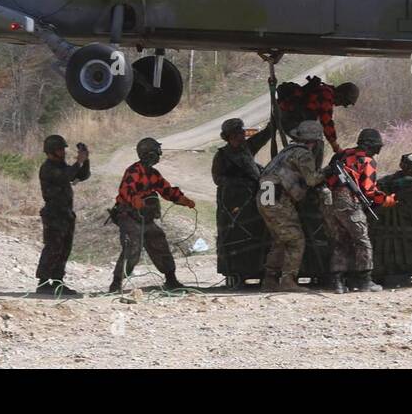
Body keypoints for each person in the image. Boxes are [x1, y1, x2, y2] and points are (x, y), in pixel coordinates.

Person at [108, 137, 195, 293]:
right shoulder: (134, 171)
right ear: (149, 154)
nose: (159, 155)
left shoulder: (153, 174)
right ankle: (116, 284)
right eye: (156, 152)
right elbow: (125, 190)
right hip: (128, 216)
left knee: (159, 242)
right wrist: (134, 199)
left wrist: (182, 199)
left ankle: (171, 280)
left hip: (146, 218)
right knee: (133, 248)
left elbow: (166, 190)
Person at [323, 128, 396, 293]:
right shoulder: (367, 161)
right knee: (362, 241)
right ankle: (365, 281)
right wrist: (386, 200)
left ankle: (338, 283)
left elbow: (327, 175)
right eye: (378, 146)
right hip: (349, 202)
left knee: (340, 241)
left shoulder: (342, 155)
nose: (379, 150)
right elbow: (369, 191)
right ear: (371, 146)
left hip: (329, 203)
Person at [256, 121, 326, 293]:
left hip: (265, 197)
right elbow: (311, 180)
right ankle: (288, 280)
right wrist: (327, 173)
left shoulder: (286, 152)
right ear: (315, 141)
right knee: (295, 240)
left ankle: (270, 279)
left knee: (280, 239)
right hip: (278, 198)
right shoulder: (304, 154)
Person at [211, 115, 276, 278]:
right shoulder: (222, 155)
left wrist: (273, 123)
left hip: (252, 200)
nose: (241, 136)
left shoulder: (247, 147)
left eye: (241, 133)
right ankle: (236, 271)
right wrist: (239, 183)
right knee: (236, 236)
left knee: (257, 232)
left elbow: (264, 136)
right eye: (237, 134)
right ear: (229, 137)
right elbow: (218, 179)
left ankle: (259, 268)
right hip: (233, 202)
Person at [35, 135, 90, 296]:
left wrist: (85, 160)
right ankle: (44, 282)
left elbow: (82, 175)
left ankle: (58, 281)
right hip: (54, 214)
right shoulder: (48, 168)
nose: (63, 152)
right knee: (53, 247)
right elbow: (67, 176)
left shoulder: (60, 165)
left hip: (65, 214)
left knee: (64, 248)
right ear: (52, 151)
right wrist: (78, 162)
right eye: (60, 149)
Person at [276, 76, 360, 155]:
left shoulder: (325, 90)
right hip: (290, 121)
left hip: (286, 116)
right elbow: (326, 123)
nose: (344, 106)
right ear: (341, 95)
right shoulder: (327, 96)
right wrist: (336, 147)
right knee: (317, 144)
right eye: (346, 102)